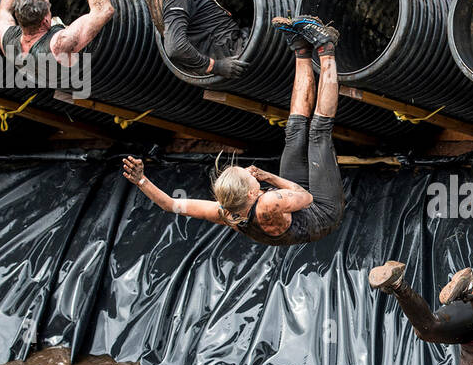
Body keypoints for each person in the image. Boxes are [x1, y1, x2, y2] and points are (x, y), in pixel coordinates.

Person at [122, 14, 346, 246]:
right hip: (320, 210)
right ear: (251, 194)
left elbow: (171, 204)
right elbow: (306, 196)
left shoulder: (229, 213)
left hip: (292, 203)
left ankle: (301, 49)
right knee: (318, 131)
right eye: (247, 176)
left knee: (295, 129)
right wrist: (267, 176)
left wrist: (141, 181)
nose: (249, 171)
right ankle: (326, 46)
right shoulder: (268, 204)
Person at [0, 0, 114, 87]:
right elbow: (104, 10)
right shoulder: (60, 43)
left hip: (47, 78)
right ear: (46, 20)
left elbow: (4, 10)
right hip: (89, 75)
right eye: (49, 6)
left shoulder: (6, 38)